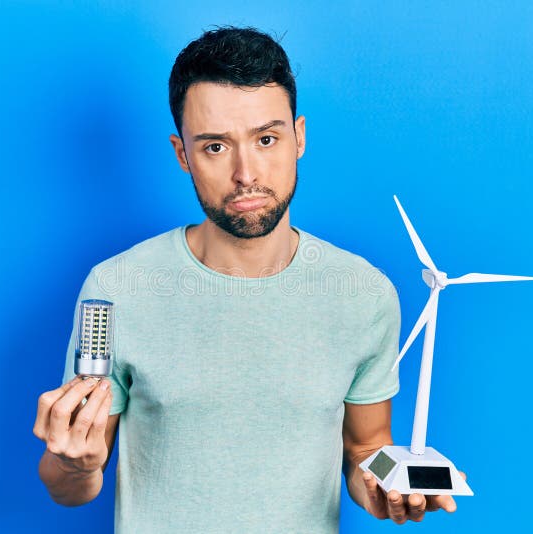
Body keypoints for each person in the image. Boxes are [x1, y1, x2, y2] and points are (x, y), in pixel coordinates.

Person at [33, 26, 462, 533]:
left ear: (298, 137)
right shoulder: (117, 288)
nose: (245, 173)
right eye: (215, 147)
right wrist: (73, 464)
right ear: (182, 155)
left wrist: (387, 492)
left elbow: (365, 448)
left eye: (266, 139)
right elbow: (71, 484)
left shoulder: (364, 294)